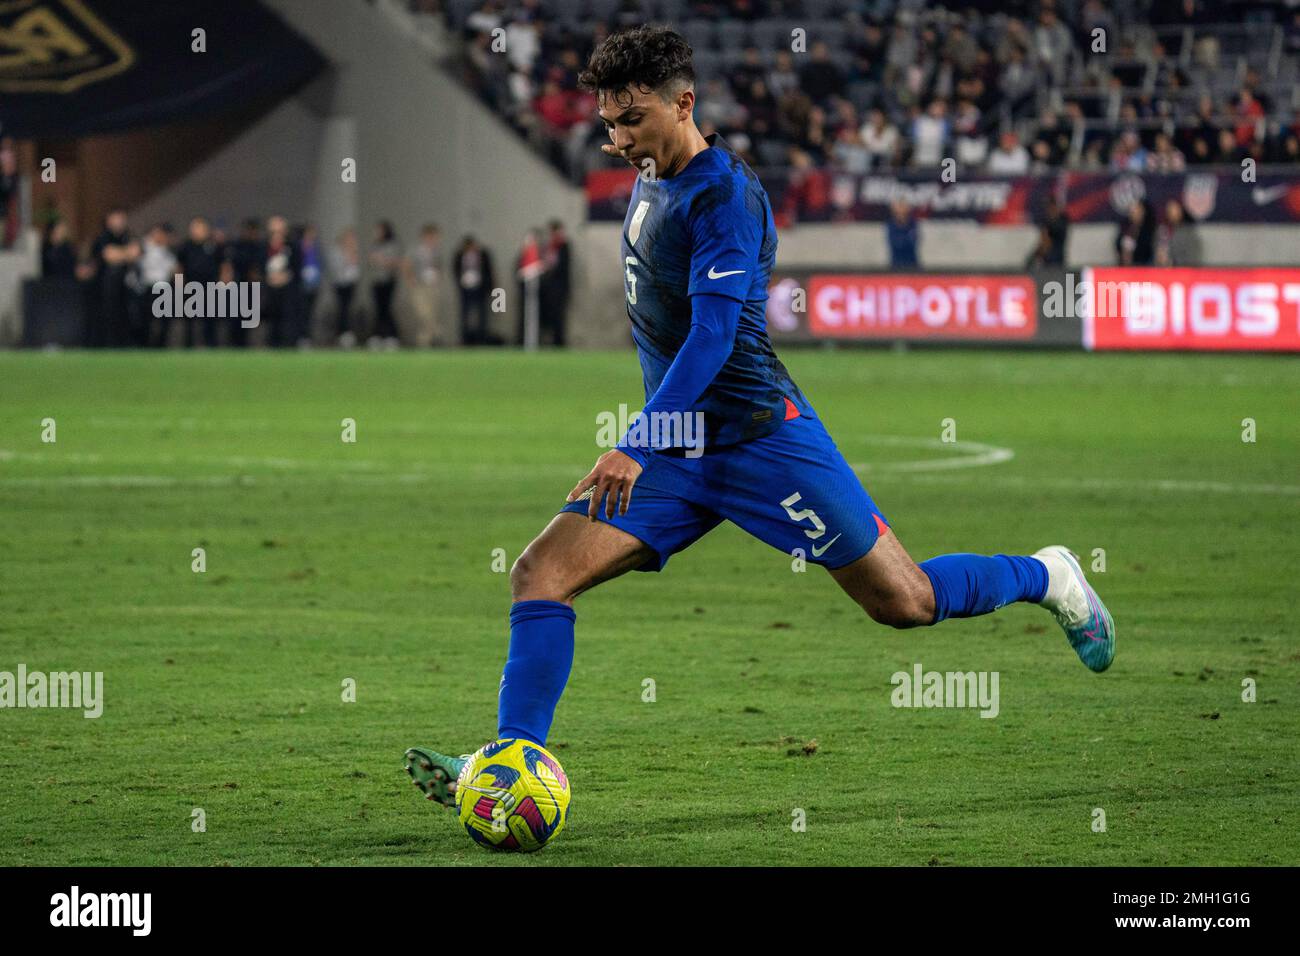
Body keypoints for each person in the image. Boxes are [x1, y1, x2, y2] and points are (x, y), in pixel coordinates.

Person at [403, 25, 1116, 809]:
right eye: (608, 122)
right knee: (540, 573)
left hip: (759, 439)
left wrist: (635, 444)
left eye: (633, 119)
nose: (618, 139)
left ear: (685, 102)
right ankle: (510, 763)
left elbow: (711, 335)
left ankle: (1048, 575)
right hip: (678, 448)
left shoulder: (727, 197)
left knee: (904, 604)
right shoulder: (648, 173)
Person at [90, 209, 140, 348]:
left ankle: (124, 345)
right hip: (105, 286)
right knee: (107, 316)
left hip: (125, 287)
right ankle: (106, 345)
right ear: (108, 220)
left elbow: (135, 253)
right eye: (116, 218)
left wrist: (120, 254)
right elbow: (108, 255)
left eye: (121, 218)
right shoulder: (102, 237)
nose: (119, 221)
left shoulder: (128, 236)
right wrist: (126, 253)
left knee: (126, 316)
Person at [174, 216, 224, 346]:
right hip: (190, 287)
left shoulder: (214, 245)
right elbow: (179, 267)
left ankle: (211, 345)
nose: (199, 231)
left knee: (210, 319)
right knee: (189, 320)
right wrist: (180, 284)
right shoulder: (185, 246)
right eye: (196, 228)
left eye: (202, 228)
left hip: (210, 287)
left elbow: (223, 265)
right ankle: (188, 345)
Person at [405, 223, 443, 347]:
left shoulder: (436, 251)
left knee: (432, 313)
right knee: (423, 313)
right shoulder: (415, 250)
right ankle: (436, 331)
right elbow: (407, 264)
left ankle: (425, 341)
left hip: (432, 285)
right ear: (426, 236)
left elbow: (438, 266)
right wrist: (410, 278)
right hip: (419, 286)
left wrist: (437, 276)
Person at [455, 235, 495, 345]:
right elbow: (456, 270)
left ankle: (482, 338)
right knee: (465, 314)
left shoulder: (483, 254)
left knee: (482, 314)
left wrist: (490, 288)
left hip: (480, 288)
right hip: (465, 289)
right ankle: (465, 339)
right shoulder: (459, 255)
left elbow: (489, 271)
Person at [368, 220, 402, 349]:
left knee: (387, 308)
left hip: (388, 280)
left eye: (379, 230)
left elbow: (396, 261)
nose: (376, 233)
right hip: (376, 280)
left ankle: (392, 336)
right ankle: (377, 335)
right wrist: (376, 259)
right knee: (378, 309)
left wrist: (382, 260)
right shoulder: (375, 245)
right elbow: (371, 260)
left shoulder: (393, 244)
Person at [540, 219, 571, 347]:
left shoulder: (563, 246)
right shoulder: (548, 246)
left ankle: (559, 340)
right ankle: (551, 339)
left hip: (559, 286)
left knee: (559, 315)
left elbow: (563, 267)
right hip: (549, 287)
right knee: (550, 315)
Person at [329, 227, 361, 347]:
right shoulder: (336, 251)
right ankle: (341, 333)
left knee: (348, 308)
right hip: (340, 283)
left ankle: (346, 333)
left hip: (350, 283)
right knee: (342, 308)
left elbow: (355, 266)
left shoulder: (354, 250)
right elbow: (337, 268)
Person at [1026, 195, 1069, 268]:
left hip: (1056, 263)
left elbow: (1046, 243)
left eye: (1050, 207)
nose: (1048, 210)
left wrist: (1033, 257)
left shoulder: (1061, 221)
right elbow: (1044, 243)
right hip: (1050, 263)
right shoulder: (1047, 222)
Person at [1156, 199, 1201, 266]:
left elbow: (1192, 258)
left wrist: (1172, 262)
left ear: (1181, 211)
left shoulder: (1188, 232)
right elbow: (1155, 251)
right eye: (1170, 210)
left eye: (1175, 210)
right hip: (1160, 271)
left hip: (1182, 272)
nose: (1173, 213)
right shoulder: (1161, 230)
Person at [1116, 198, 1155, 266]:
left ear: (1143, 211)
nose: (1134, 213)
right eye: (1132, 211)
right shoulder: (1125, 227)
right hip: (1124, 267)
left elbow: (1147, 250)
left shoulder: (1150, 228)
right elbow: (1118, 244)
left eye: (1137, 210)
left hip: (1143, 267)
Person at [886, 198, 919, 269]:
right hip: (896, 263)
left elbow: (913, 241)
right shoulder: (891, 224)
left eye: (903, 207)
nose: (901, 210)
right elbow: (895, 243)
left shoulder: (913, 223)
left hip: (912, 263)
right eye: (899, 207)